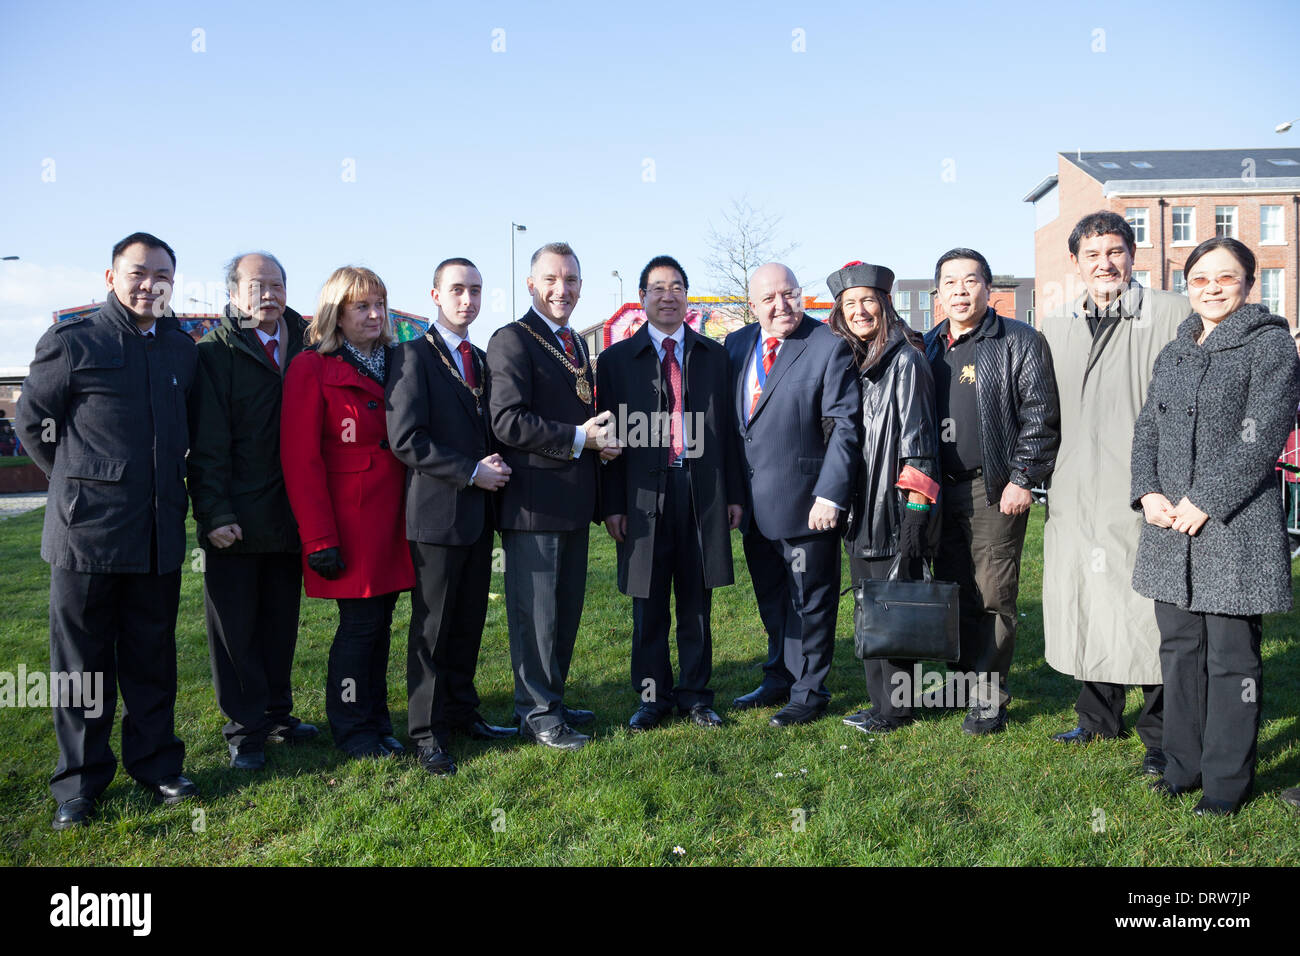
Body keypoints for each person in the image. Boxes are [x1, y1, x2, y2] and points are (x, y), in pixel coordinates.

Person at [17, 232, 199, 829]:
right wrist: (76, 481)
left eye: (162, 275)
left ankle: (157, 765)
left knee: (152, 658)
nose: (150, 285)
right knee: (83, 668)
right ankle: (79, 783)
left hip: (156, 534)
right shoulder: (73, 341)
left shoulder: (180, 347)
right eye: (139, 274)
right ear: (111, 276)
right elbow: (34, 424)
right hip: (86, 537)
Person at [1131, 236, 1300, 816]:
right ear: (1187, 286)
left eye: (1225, 278)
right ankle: (1183, 766)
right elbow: (1147, 427)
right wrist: (1147, 492)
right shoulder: (1174, 350)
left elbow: (1265, 433)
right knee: (1179, 651)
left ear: (1249, 284)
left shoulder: (1270, 346)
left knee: (1231, 659)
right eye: (1200, 279)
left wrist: (1204, 500)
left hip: (1233, 530)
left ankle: (1227, 783)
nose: (1212, 289)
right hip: (1168, 529)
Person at [1040, 212, 1187, 775]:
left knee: (1147, 611)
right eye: (1093, 254)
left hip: (1145, 490)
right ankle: (1097, 716)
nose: (1106, 263)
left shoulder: (1172, 315)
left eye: (1116, 251)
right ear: (1075, 262)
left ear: (1132, 254)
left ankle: (1161, 730)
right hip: (1076, 490)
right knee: (1086, 600)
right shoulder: (1056, 327)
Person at [596, 255, 743, 731]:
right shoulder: (616, 361)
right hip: (642, 497)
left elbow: (730, 433)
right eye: (657, 288)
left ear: (687, 296)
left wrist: (734, 495)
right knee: (648, 601)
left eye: (677, 286)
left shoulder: (714, 356)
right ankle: (651, 698)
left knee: (697, 603)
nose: (668, 295)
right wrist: (612, 505)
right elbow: (607, 438)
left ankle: (698, 696)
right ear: (641, 298)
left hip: (701, 493)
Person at [486, 242, 622, 751]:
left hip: (572, 501)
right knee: (536, 616)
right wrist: (581, 438)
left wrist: (598, 445)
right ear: (530, 285)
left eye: (570, 281)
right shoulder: (512, 341)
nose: (561, 290)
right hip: (532, 505)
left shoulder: (574, 345)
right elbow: (506, 421)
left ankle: (552, 698)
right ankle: (536, 712)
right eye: (551, 280)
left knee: (564, 613)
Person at [386, 257, 517, 778]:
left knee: (468, 621)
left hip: (479, 517)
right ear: (435, 295)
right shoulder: (411, 356)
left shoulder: (482, 360)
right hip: (437, 515)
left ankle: (463, 712)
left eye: (476, 291)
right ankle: (425, 731)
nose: (468, 300)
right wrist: (470, 472)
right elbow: (406, 439)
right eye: (457, 290)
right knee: (433, 628)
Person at [188, 252, 318, 772]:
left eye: (278, 284)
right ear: (235, 293)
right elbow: (207, 444)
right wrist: (214, 514)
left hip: (289, 516)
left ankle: (276, 713)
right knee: (234, 629)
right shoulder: (214, 353)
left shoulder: (306, 339)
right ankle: (244, 729)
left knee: (280, 622)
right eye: (257, 285)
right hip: (235, 521)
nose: (269, 293)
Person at [281, 266, 415, 760]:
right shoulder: (310, 368)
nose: (375, 314)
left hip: (393, 520)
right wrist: (318, 538)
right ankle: (352, 728)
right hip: (348, 524)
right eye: (362, 305)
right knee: (358, 629)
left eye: (380, 303)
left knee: (380, 626)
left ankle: (376, 721)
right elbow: (300, 459)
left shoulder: (395, 360)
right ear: (336, 312)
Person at [924, 248, 1059, 734]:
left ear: (988, 288)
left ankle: (989, 698)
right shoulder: (928, 346)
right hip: (940, 490)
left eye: (970, 281)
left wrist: (1023, 478)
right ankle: (961, 684)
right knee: (955, 590)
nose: (960, 291)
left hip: (994, 488)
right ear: (938, 293)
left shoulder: (1020, 341)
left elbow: (1041, 417)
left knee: (994, 594)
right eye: (950, 283)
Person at [726, 262, 860, 726]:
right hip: (754, 507)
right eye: (768, 298)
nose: (781, 305)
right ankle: (779, 674)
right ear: (753, 305)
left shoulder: (827, 346)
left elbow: (845, 427)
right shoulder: (738, 343)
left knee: (811, 600)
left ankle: (809, 691)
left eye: (789, 294)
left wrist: (831, 495)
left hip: (808, 504)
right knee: (772, 597)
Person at [826, 261, 940, 735]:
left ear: (885, 304)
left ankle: (893, 711)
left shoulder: (905, 360)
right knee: (873, 604)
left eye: (867, 301)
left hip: (890, 509)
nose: (859, 310)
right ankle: (888, 704)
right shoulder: (856, 361)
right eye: (849, 304)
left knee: (888, 607)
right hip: (860, 509)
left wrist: (913, 515)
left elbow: (920, 443)